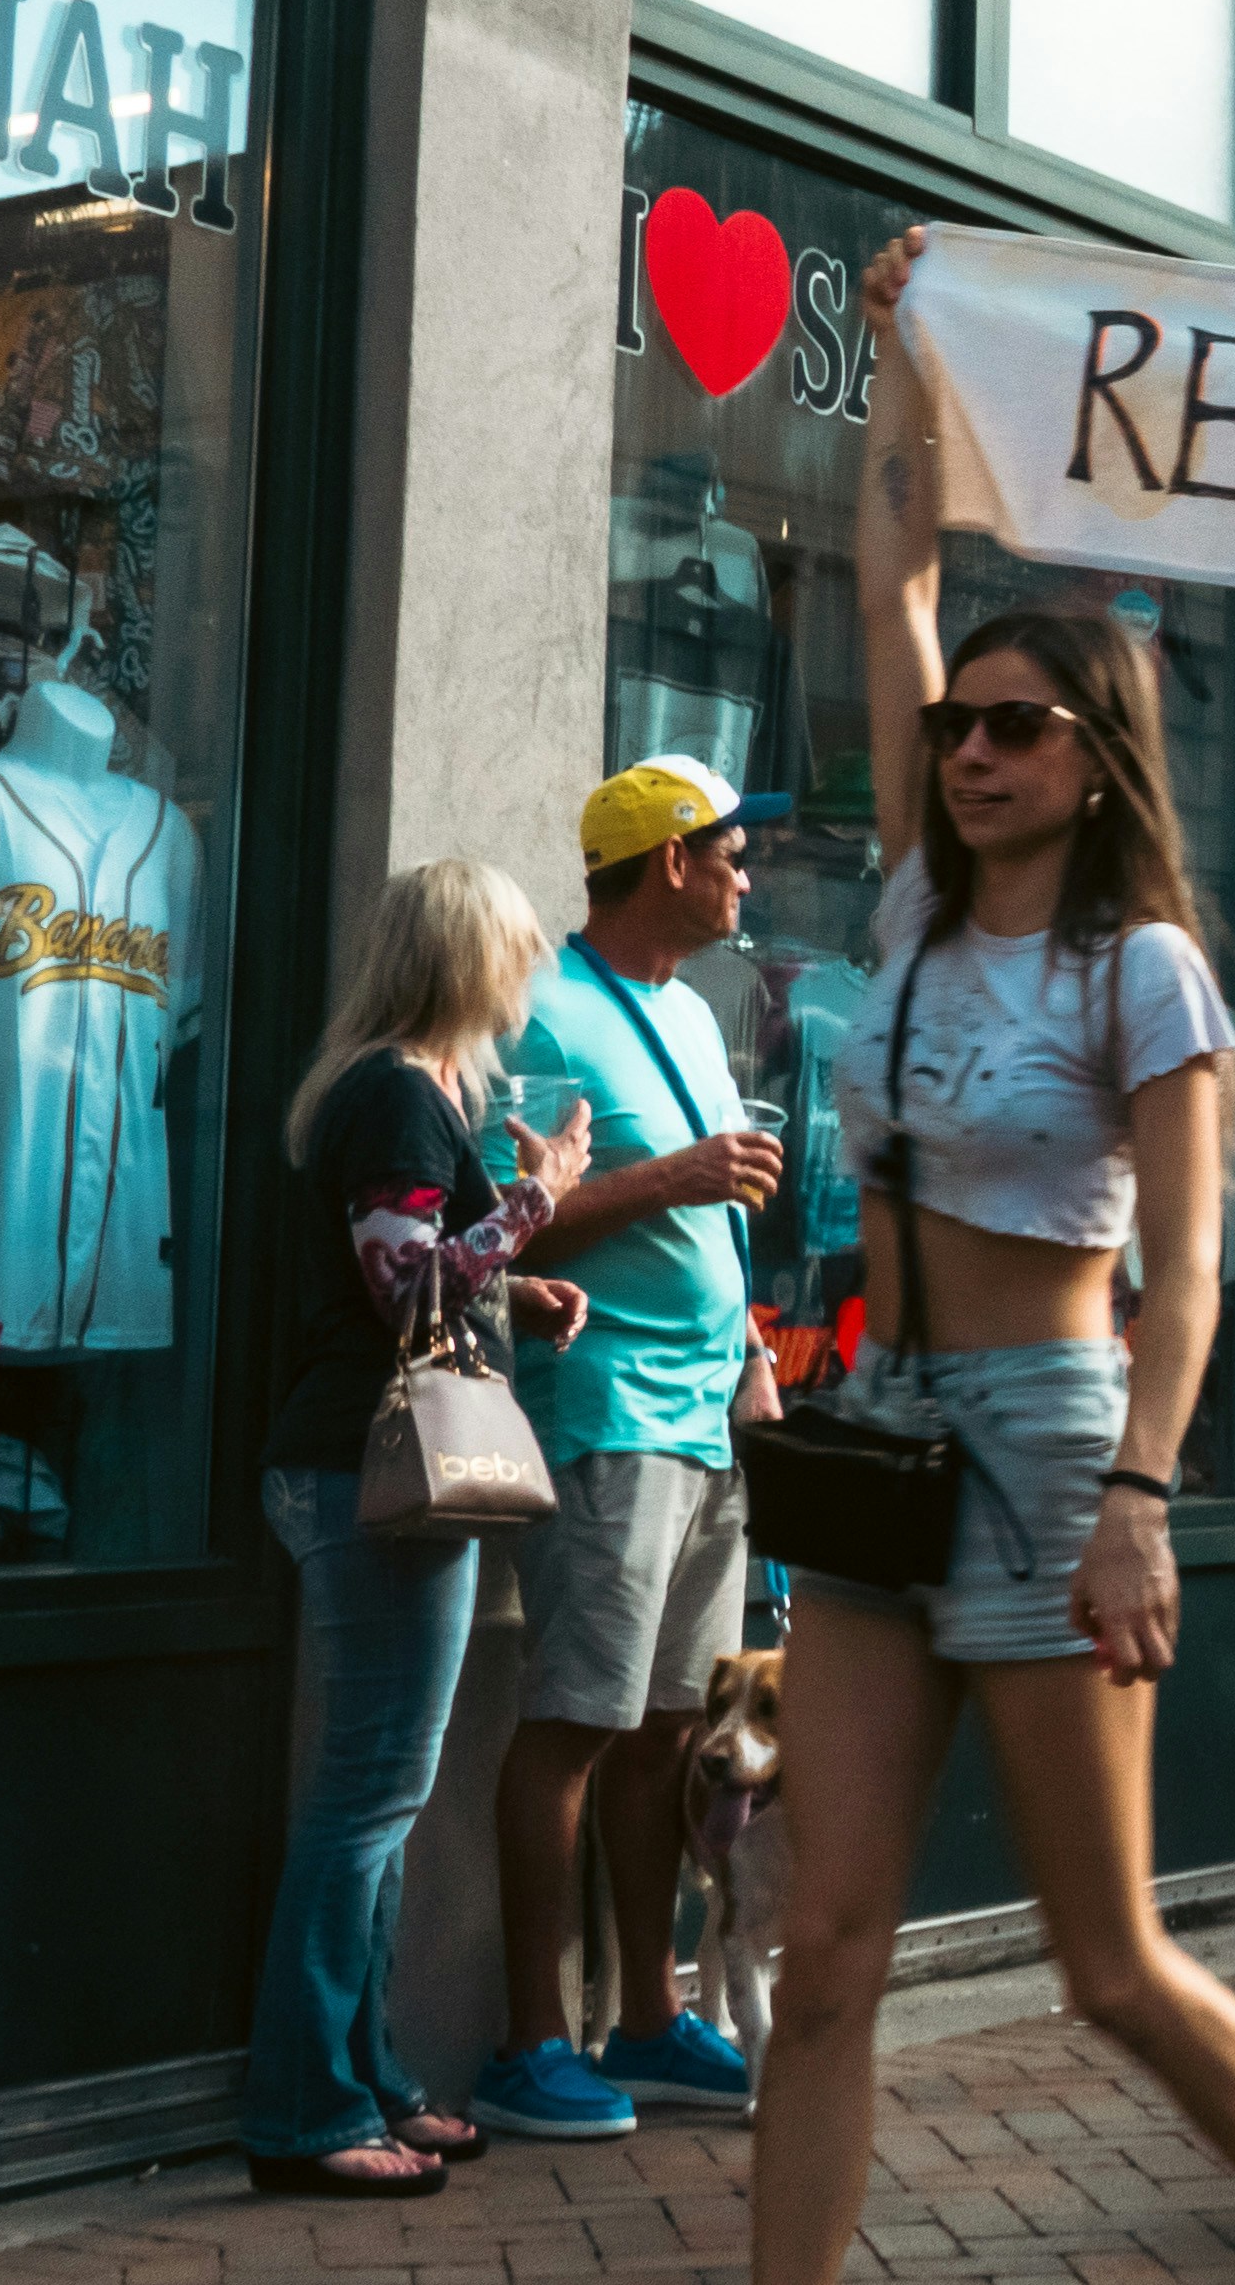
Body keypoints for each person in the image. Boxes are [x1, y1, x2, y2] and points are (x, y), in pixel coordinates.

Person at [786, 233, 1235, 2285]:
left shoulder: (1143, 968)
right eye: (961, 723)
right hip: (884, 1423)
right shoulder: (914, 914)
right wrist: (905, 364)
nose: (971, 746)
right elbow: (894, 580)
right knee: (821, 1952)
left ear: (1097, 749)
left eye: (1018, 726)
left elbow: (1197, 1272)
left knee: (1106, 1961)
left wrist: (1141, 1491)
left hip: (1052, 1440)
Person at [245, 857, 595, 2197]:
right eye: (509, 953)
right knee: (366, 1797)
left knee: (380, 1797)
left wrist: (520, 1274)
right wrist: (540, 1193)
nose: (521, 981)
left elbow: (411, 1272)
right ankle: (304, 2108)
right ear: (465, 960)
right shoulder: (397, 1088)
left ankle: (369, 2076)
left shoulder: (396, 1085)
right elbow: (401, 1286)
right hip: (368, 1474)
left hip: (353, 1467)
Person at [477, 758, 793, 2139]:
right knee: (574, 1724)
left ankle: (652, 2018)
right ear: (668, 858)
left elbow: (704, 1219)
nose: (747, 873)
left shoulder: (691, 1010)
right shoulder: (540, 1002)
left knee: (673, 1727)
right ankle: (529, 2037)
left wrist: (754, 1356)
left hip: (703, 1412)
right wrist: (675, 1174)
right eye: (730, 849)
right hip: (605, 1412)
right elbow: (509, 1219)